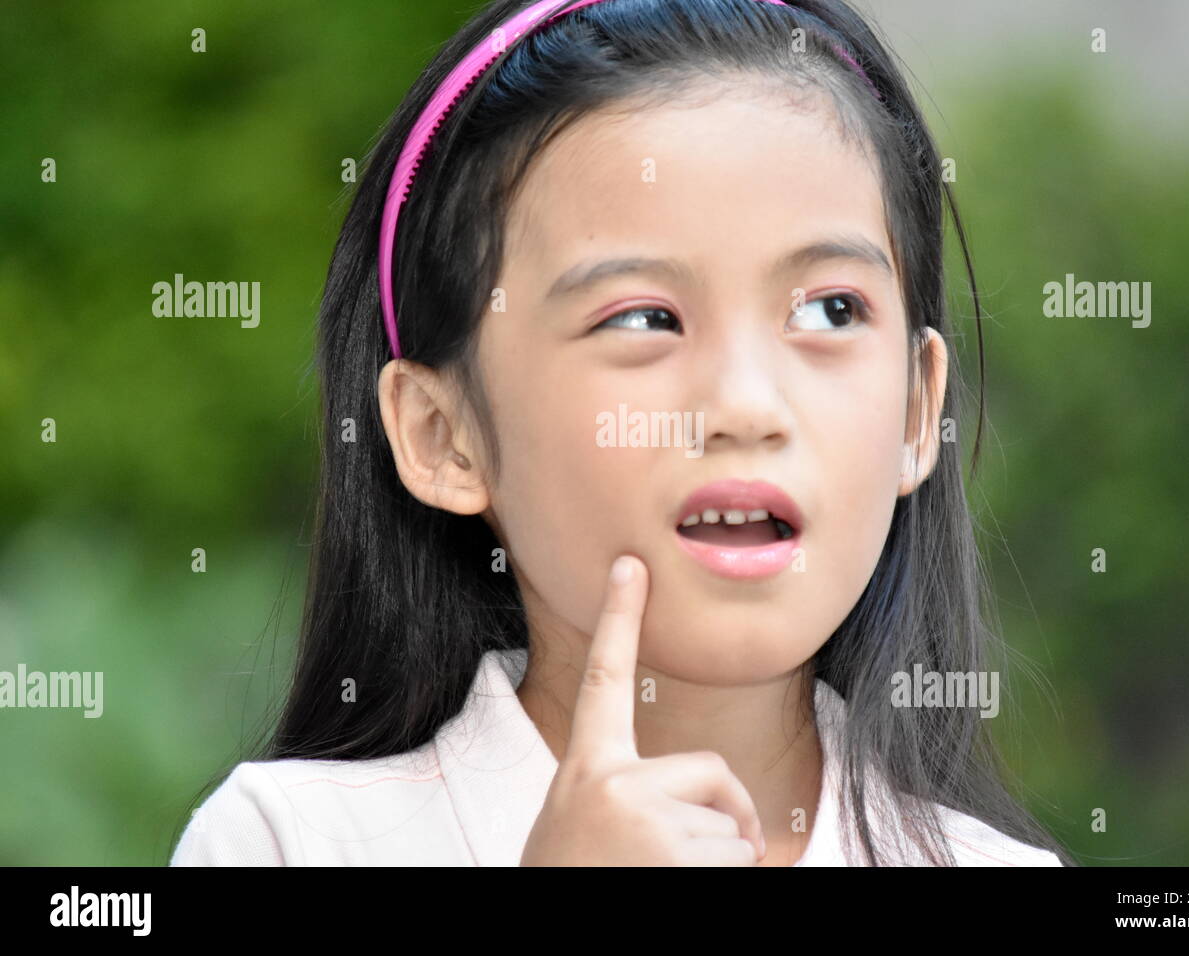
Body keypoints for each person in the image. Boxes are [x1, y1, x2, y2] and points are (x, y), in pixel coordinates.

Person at [173, 0, 1071, 867]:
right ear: (444, 435)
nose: (748, 407)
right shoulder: (288, 843)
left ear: (918, 412)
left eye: (832, 309)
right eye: (644, 319)